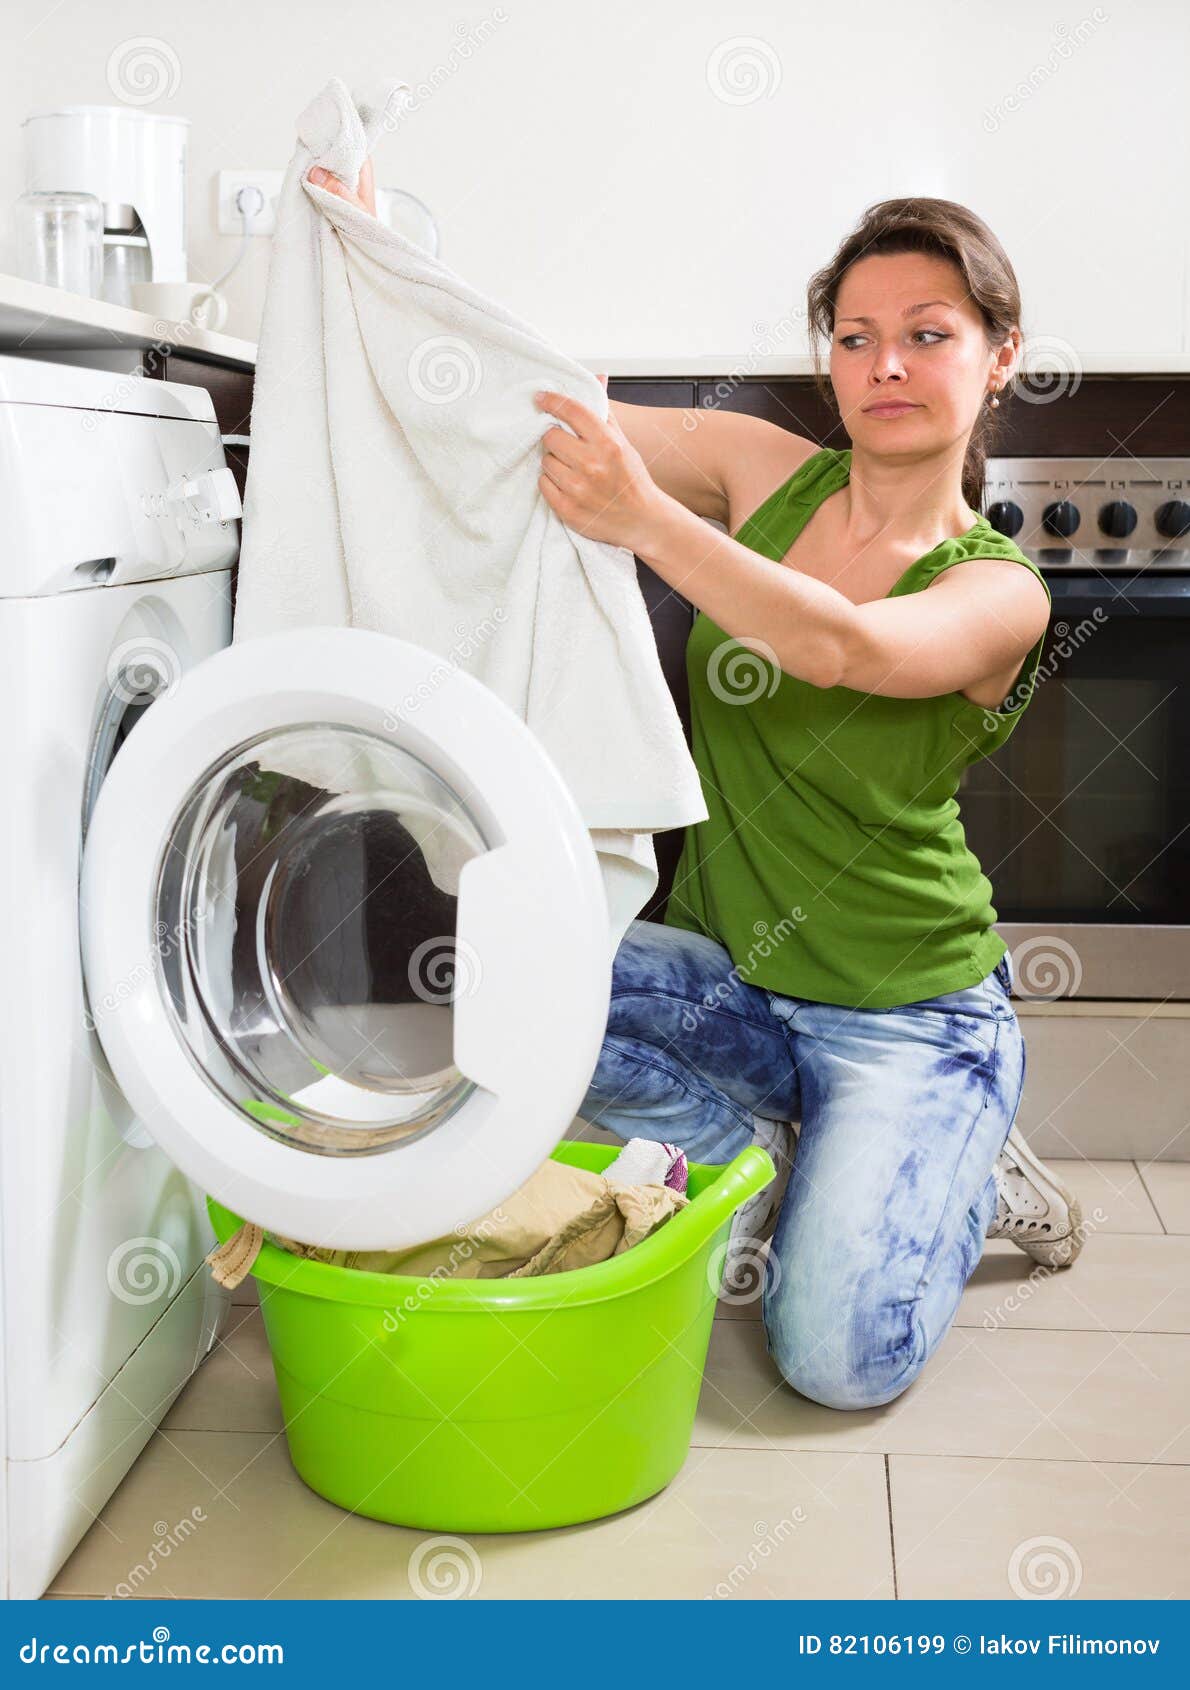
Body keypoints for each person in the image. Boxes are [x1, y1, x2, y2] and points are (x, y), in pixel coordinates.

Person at [311, 169, 1083, 1412]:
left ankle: (951, 1154)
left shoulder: (997, 589)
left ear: (999, 360)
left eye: (928, 334)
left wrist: (649, 525)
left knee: (834, 1365)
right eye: (855, 336)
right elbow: (541, 407)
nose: (886, 363)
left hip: (908, 1018)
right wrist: (378, 256)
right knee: (506, 970)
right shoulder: (758, 469)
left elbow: (845, 647)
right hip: (737, 984)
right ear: (828, 360)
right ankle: (776, 1155)